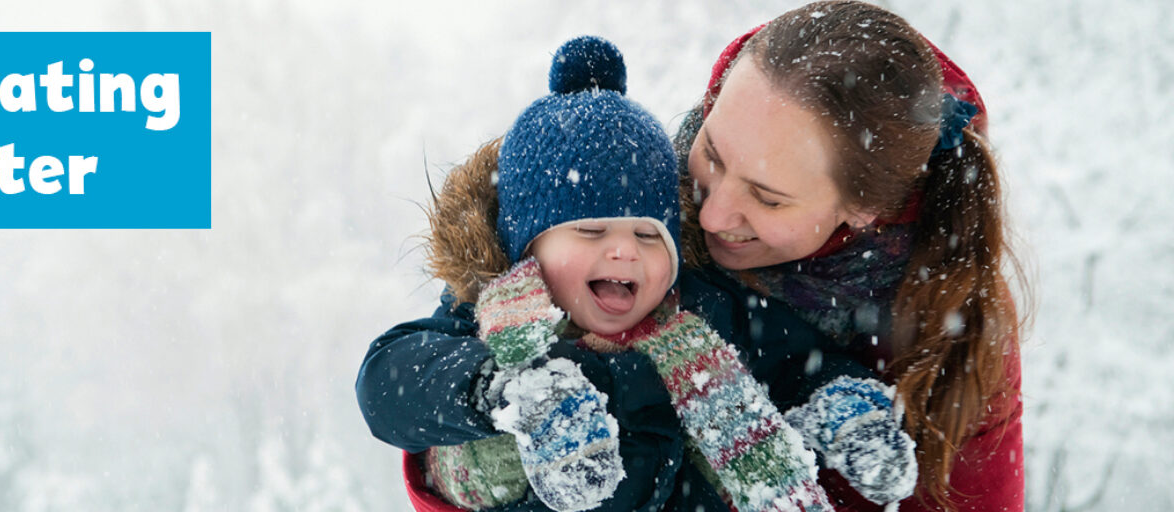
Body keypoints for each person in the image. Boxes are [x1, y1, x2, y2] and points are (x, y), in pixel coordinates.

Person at [359, 35, 917, 512]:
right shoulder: (490, 318)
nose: (626, 253)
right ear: (528, 248)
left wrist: (843, 408)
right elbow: (388, 384)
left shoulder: (701, 312)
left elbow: (797, 360)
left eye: (649, 235)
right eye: (591, 232)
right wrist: (498, 390)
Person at [671, 2, 1026, 510]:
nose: (713, 215)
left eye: (768, 198)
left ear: (864, 209)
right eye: (711, 152)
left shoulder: (952, 329)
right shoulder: (636, 213)